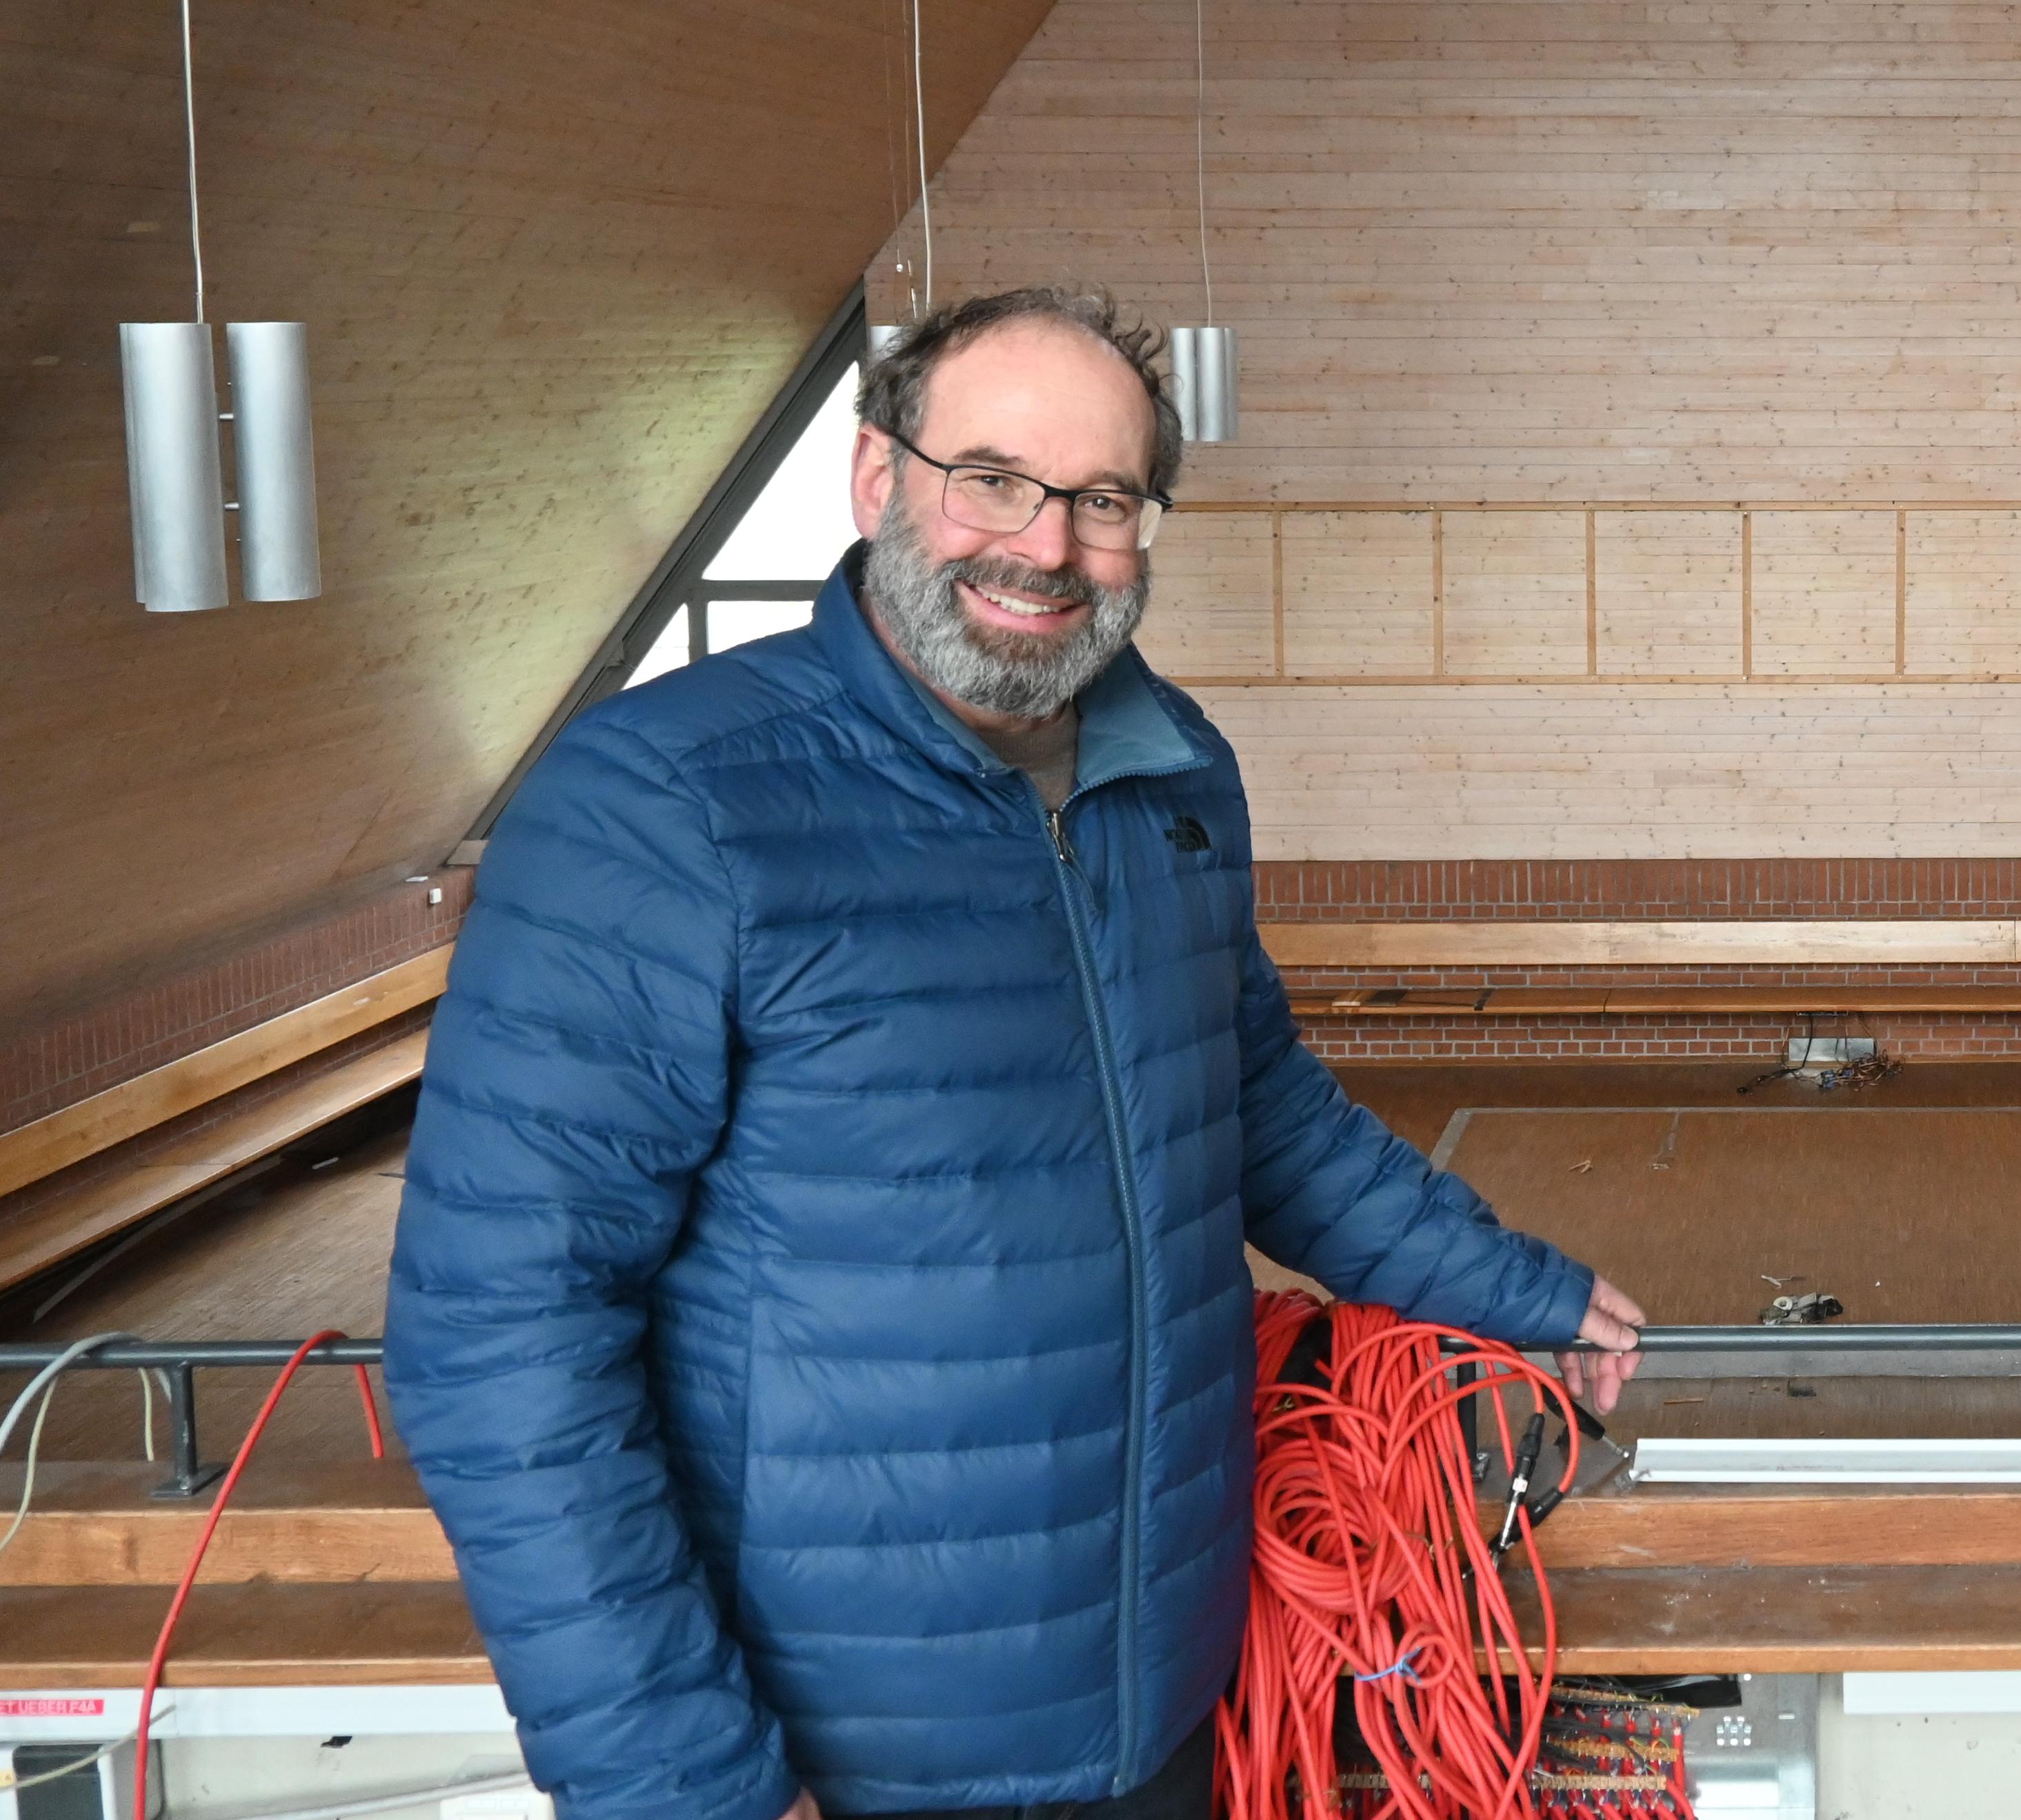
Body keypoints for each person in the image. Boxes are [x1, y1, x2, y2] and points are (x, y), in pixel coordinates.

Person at [388, 288, 1644, 1820]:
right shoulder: (663, 804)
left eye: (1103, 499)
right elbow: (500, 1337)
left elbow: (1256, 1112)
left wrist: (1518, 1288)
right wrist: (688, 1786)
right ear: (877, 474)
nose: (1045, 546)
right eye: (992, 477)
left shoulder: (1174, 770)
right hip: (843, 1754)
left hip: (1153, 1714)